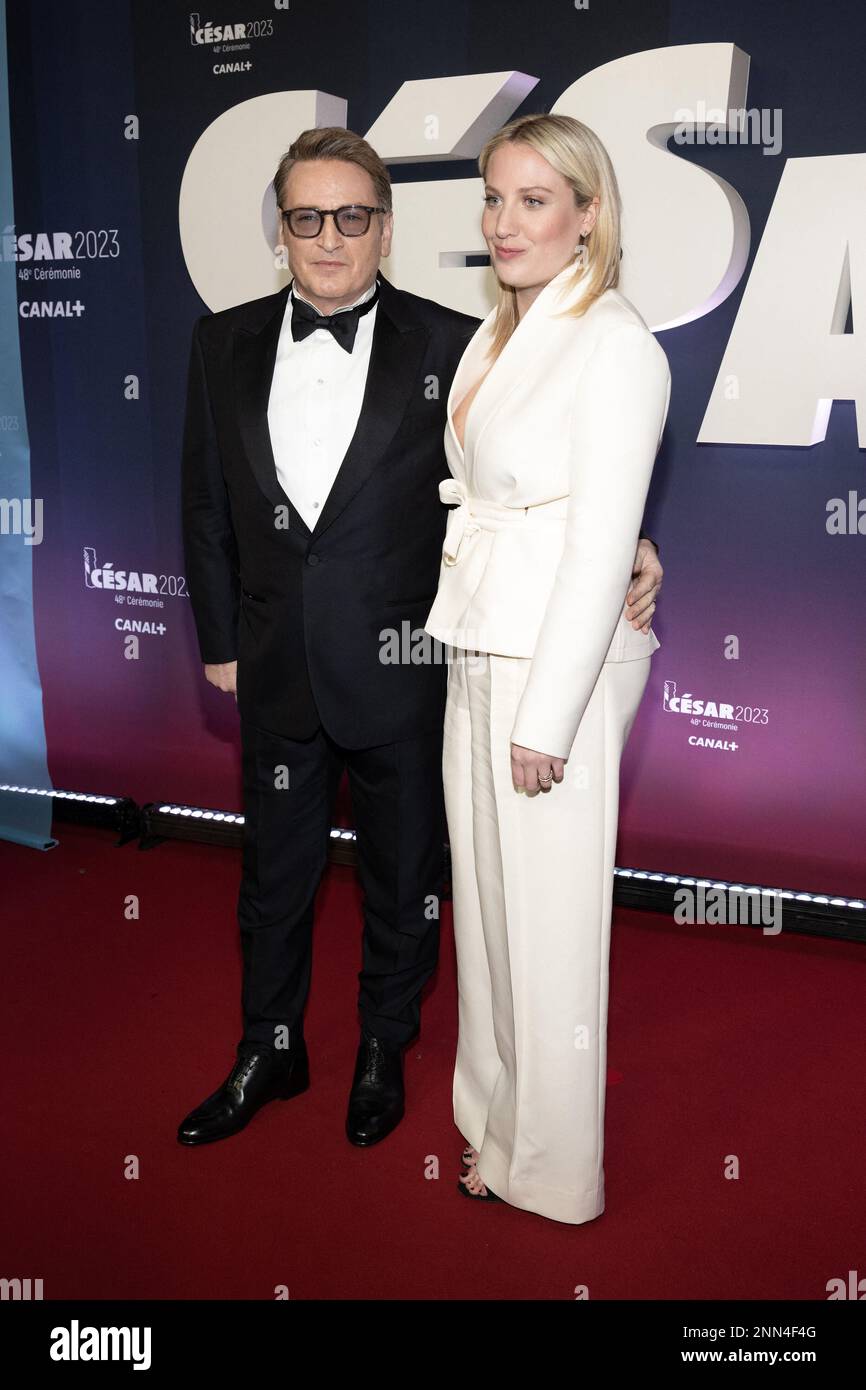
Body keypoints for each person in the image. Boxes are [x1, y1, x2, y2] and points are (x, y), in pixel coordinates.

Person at [178, 126, 663, 1151]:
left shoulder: (454, 339)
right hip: (273, 668)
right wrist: (219, 638)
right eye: (304, 217)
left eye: (350, 216)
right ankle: (267, 1045)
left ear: (384, 230)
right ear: (280, 231)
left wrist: (633, 539)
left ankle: (379, 1051)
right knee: (272, 876)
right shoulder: (216, 342)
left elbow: (532, 467)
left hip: (404, 668)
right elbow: (205, 502)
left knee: (408, 882)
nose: (326, 239)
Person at [424, 113, 671, 1223]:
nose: (505, 220)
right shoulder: (497, 333)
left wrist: (548, 717)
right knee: (484, 909)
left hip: (551, 671)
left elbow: (597, 538)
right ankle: (492, 1120)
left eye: (534, 200)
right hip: (477, 640)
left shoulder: (613, 340)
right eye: (493, 196)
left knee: (552, 923)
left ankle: (556, 1170)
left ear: (585, 217)